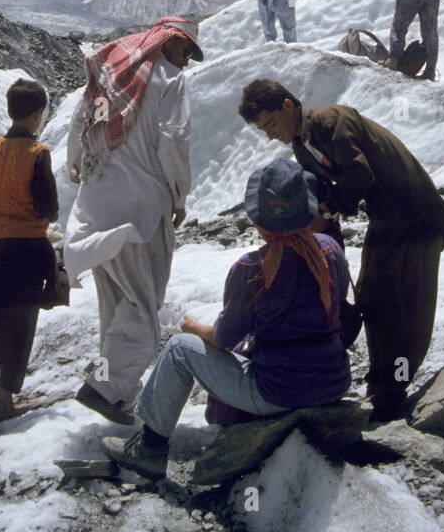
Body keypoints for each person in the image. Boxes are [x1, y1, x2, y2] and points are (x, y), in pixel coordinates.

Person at [237, 79, 444, 420]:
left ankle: (393, 387)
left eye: (271, 123)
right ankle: (381, 382)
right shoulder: (303, 145)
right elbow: (328, 198)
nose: (270, 134)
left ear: (288, 106)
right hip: (388, 216)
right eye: (263, 129)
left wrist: (328, 212)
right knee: (374, 297)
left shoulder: (332, 122)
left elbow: (359, 175)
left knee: (402, 304)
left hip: (412, 212)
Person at [101, 159, 352, 478]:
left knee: (180, 348)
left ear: (259, 222)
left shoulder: (250, 269)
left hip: (278, 392)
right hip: (333, 381)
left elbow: (224, 338)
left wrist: (193, 328)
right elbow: (338, 302)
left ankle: (149, 448)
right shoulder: (329, 249)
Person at [65, 17, 200, 424]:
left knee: (115, 303)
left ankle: (120, 392)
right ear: (170, 41)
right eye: (187, 50)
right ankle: (105, 389)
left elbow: (79, 123)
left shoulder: (111, 76)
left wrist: (75, 165)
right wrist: (179, 196)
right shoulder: (170, 80)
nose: (188, 59)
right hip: (140, 211)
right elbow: (174, 141)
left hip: (96, 204)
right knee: (142, 304)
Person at [0, 79, 61, 422]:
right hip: (27, 250)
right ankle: (7, 398)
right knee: (20, 321)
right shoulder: (38, 154)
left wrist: (4, 199)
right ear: (38, 115)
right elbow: (47, 206)